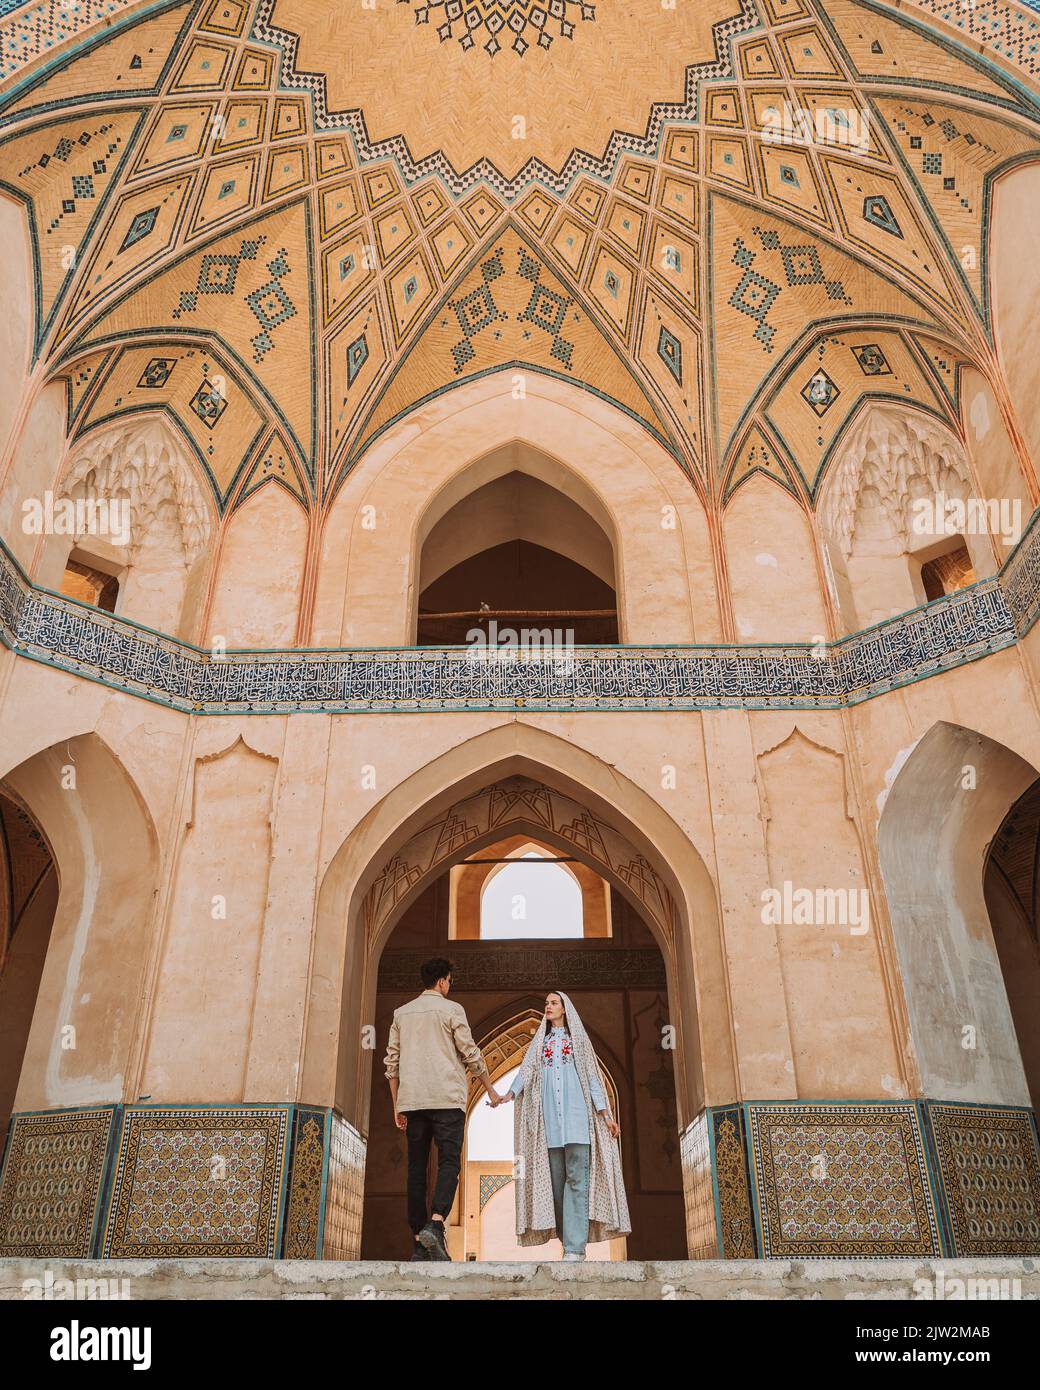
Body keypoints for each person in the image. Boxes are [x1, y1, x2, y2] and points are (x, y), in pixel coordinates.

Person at [496, 990, 630, 1261]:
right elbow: (527, 1070)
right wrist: (509, 1094)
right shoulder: (541, 1043)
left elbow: (593, 1078)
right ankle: (567, 1240)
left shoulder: (578, 1041)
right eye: (547, 1003)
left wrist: (606, 1115)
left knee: (577, 1183)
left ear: (565, 1008)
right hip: (550, 1129)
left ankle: (574, 1248)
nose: (548, 1006)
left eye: (553, 1003)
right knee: (557, 1186)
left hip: (579, 1124)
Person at [384, 957, 502, 1261]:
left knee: (416, 1169)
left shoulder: (401, 1014)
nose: (449, 985)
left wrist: (398, 1104)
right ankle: (435, 1225)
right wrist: (490, 1088)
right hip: (447, 1099)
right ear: (442, 981)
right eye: (449, 980)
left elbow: (391, 1064)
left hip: (413, 1101)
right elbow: (470, 1053)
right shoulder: (452, 1010)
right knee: (449, 1162)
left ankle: (418, 1242)